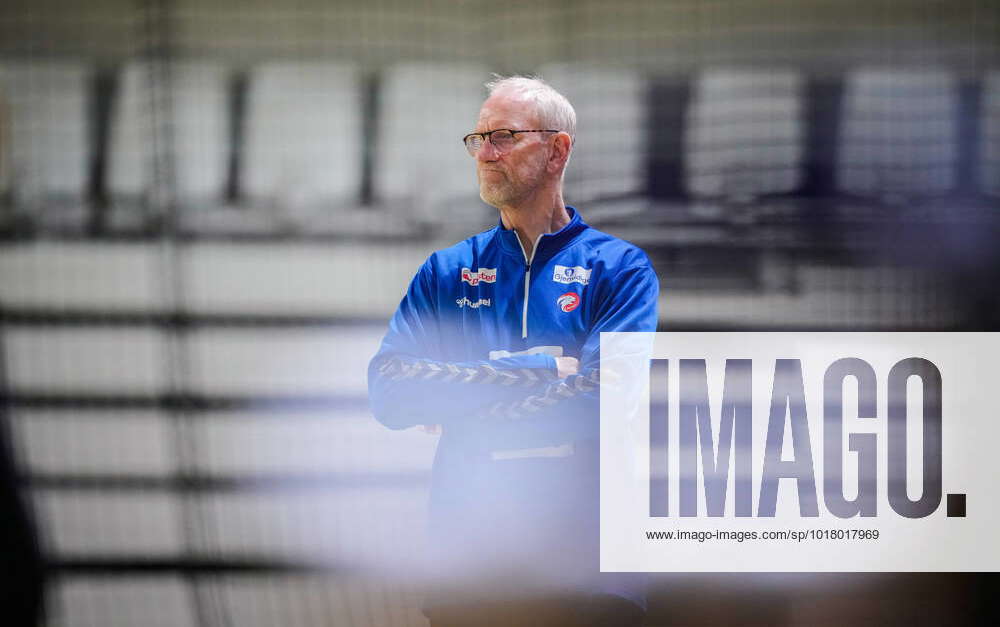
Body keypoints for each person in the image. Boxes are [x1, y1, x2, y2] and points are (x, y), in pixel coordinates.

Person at [368, 75, 658, 627]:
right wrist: (540, 369)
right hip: (472, 566)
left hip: (586, 570)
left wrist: (456, 397)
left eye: (503, 136)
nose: (485, 153)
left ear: (557, 149)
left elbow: (603, 398)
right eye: (477, 139)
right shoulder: (445, 271)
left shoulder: (621, 269)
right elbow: (390, 392)